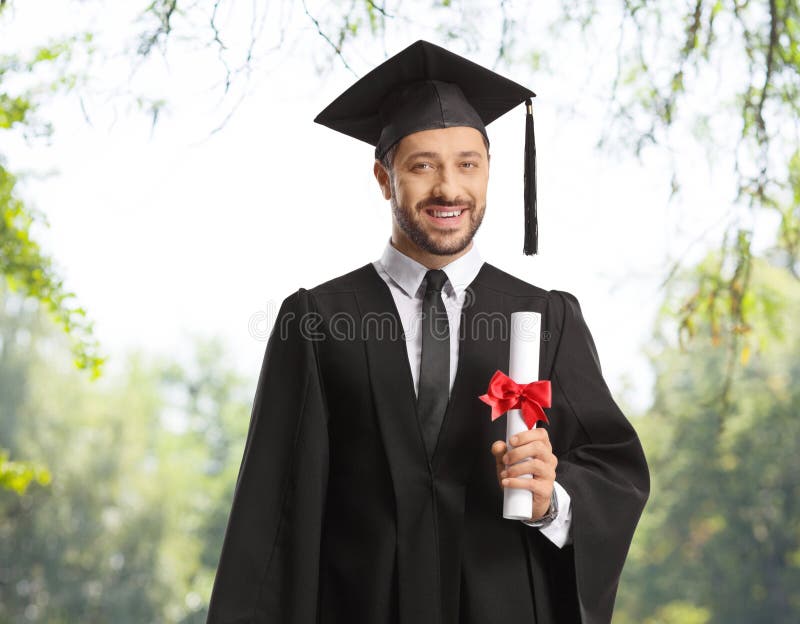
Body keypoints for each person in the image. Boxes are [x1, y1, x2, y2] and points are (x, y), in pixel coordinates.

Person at [206, 40, 650, 624]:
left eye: (468, 164)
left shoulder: (548, 318)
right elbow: (274, 517)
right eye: (423, 165)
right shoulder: (315, 323)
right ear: (384, 178)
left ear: (488, 171)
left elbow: (614, 473)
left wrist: (552, 499)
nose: (449, 189)